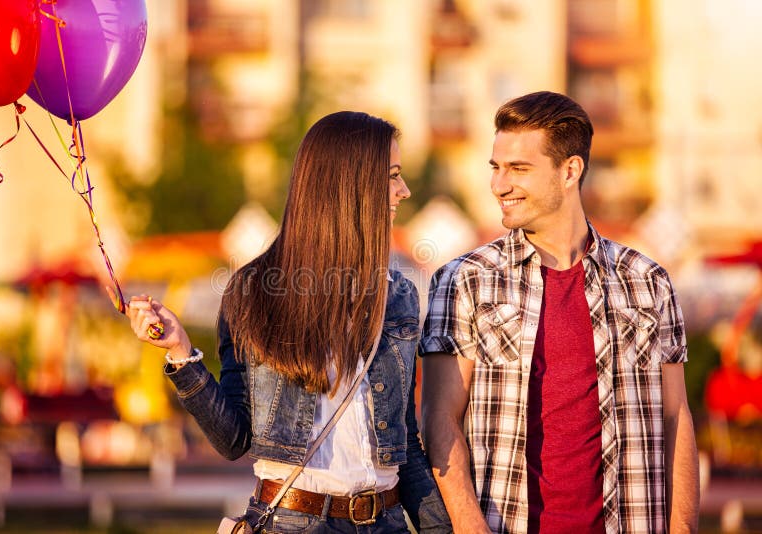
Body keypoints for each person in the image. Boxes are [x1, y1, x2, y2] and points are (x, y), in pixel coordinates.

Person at [118, 111, 451, 533]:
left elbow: (405, 443)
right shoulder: (254, 292)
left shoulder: (398, 295)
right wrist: (182, 353)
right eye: (392, 176)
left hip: (387, 522)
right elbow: (233, 439)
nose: (403, 191)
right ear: (349, 185)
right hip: (294, 522)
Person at [419, 91, 699, 533]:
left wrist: (683, 528)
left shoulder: (648, 282)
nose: (499, 185)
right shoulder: (463, 282)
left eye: (518, 169)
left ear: (570, 170)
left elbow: (676, 415)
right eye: (496, 167)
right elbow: (439, 419)